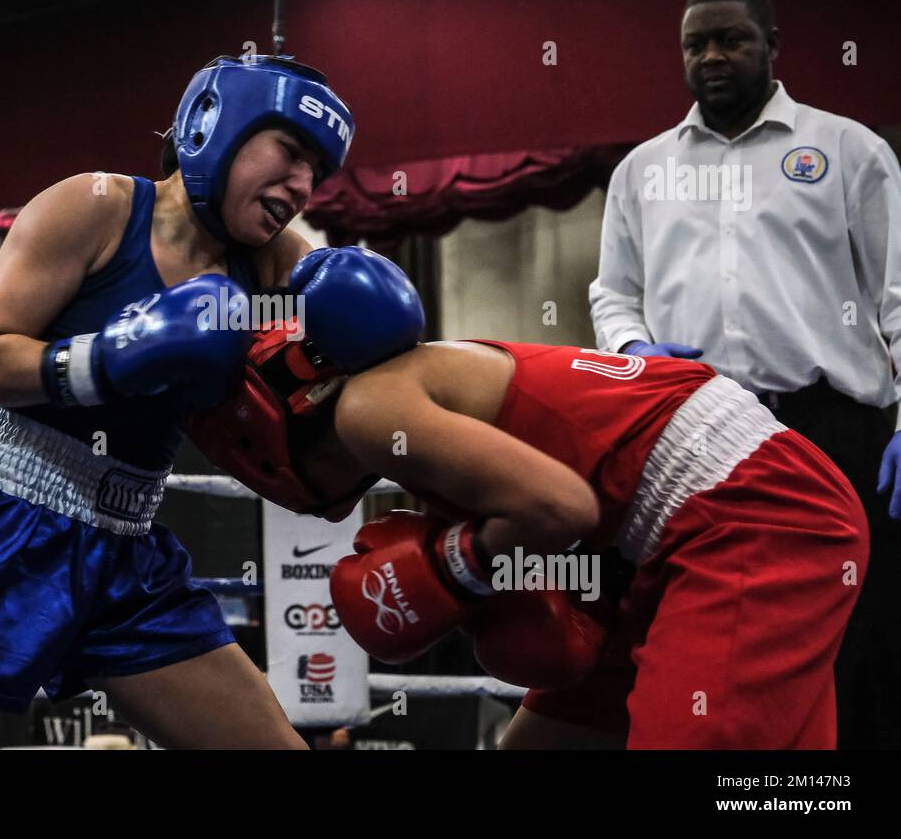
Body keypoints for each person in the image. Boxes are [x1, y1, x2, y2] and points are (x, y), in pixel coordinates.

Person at [0, 54, 356, 749]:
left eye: (318, 173)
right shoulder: (94, 207)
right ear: (216, 125)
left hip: (131, 549)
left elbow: (364, 351)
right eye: (292, 152)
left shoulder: (272, 264)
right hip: (2, 523)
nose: (302, 186)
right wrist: (115, 356)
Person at [188, 246, 867, 748]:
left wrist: (450, 566)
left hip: (749, 510)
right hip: (677, 526)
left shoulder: (366, 411)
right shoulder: (408, 384)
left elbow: (558, 508)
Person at [588, 0, 901, 746]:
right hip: (692, 433)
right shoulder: (643, 169)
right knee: (701, 638)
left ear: (772, 47)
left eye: (731, 39)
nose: (713, 56)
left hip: (832, 428)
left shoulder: (848, 149)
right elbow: (611, 295)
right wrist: (633, 353)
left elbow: (898, 293)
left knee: (850, 646)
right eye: (696, 44)